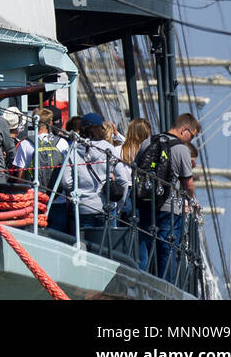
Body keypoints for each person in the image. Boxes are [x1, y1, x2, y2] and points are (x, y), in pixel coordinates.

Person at [134, 113, 200, 281]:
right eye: (191, 135)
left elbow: (136, 170)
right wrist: (192, 200)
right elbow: (188, 184)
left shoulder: (147, 142)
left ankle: (141, 278)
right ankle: (165, 286)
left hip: (145, 202)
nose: (190, 140)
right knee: (167, 247)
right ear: (185, 129)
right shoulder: (181, 149)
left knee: (145, 242)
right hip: (169, 206)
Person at [59, 113, 129, 248]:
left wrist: (78, 190)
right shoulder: (109, 149)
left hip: (82, 207)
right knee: (107, 248)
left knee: (84, 249)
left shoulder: (73, 149)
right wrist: (119, 205)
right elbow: (123, 180)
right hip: (106, 207)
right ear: (100, 129)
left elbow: (66, 181)